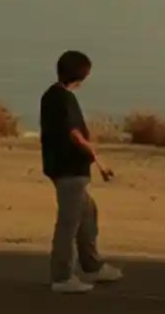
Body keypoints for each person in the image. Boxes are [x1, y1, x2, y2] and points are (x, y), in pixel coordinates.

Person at [40, 50, 122, 294]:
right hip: (69, 170)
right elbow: (73, 133)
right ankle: (62, 276)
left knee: (87, 213)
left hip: (64, 168)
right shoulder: (63, 99)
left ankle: (92, 264)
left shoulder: (53, 95)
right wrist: (96, 157)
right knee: (69, 222)